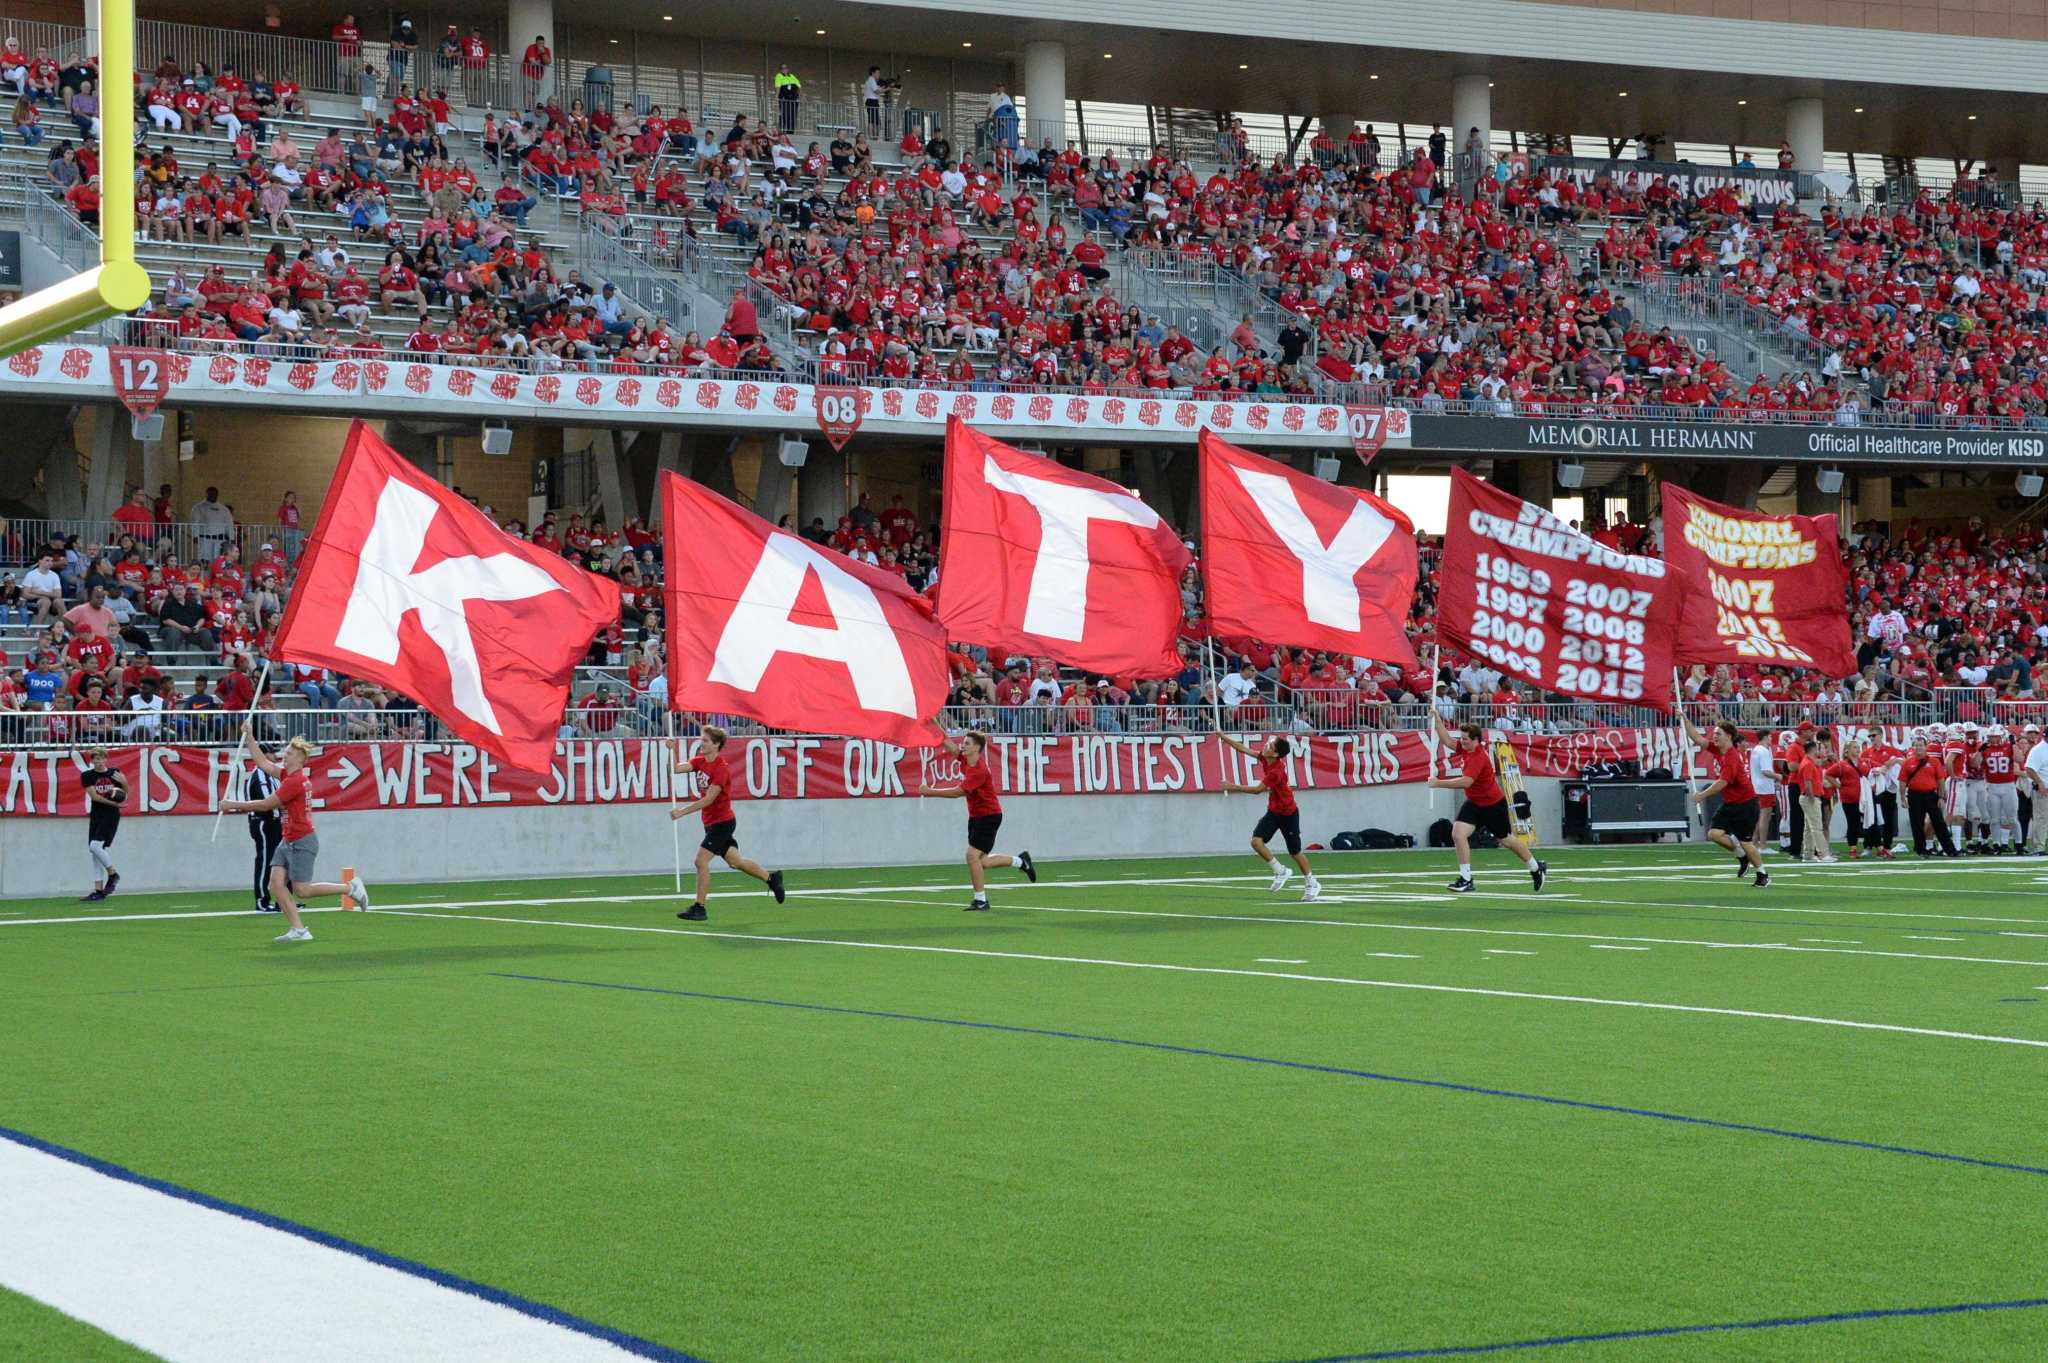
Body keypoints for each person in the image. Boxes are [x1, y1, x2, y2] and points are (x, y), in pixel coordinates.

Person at [222, 728, 369, 942]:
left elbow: (266, 804)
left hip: (302, 840)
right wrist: (250, 737)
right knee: (276, 883)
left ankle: (350, 887)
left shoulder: (295, 781)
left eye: (289, 752)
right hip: (288, 838)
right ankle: (299, 930)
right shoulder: (288, 775)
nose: (285, 754)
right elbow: (264, 764)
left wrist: (232, 805)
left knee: (303, 890)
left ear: (299, 758)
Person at [666, 725, 785, 921]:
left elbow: (708, 799)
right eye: (701, 739)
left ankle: (699, 907)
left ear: (716, 745)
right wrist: (672, 751)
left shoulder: (721, 769)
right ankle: (772, 879)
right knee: (735, 862)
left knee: (700, 861)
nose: (701, 743)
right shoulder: (700, 761)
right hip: (712, 823)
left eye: (705, 741)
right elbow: (675, 769)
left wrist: (682, 812)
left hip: (722, 823)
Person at [918, 729, 1035, 910]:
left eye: (967, 743)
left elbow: (958, 792)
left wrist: (929, 791)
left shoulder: (978, 770)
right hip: (976, 817)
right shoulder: (966, 760)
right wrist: (931, 721)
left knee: (971, 855)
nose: (962, 746)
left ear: (977, 748)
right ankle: (1021, 861)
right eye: (963, 743)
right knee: (982, 862)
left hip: (989, 816)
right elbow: (947, 742)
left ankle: (981, 900)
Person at [1429, 716, 1545, 893]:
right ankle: (1466, 879)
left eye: (1466, 739)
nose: (1462, 742)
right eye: (1462, 738)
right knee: (1458, 834)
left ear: (1476, 740)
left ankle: (1536, 868)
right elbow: (1447, 740)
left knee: (1507, 840)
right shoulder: (1466, 747)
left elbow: (1466, 782)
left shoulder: (1478, 757)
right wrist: (1436, 720)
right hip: (1474, 803)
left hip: (1492, 805)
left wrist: (1438, 783)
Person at [1218, 731, 1319, 901]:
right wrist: (1224, 737)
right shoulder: (1266, 758)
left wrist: (1232, 786)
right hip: (1274, 811)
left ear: (1276, 754)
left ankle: (1312, 883)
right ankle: (1280, 871)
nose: (1266, 745)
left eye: (1270, 745)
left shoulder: (1276, 771)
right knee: (1256, 842)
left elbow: (1258, 790)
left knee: (1294, 852)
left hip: (1288, 813)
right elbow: (1243, 749)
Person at [1679, 711, 1767, 887]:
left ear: (1728, 736)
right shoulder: (1719, 749)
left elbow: (1722, 783)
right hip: (1730, 803)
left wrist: (1701, 796)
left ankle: (1762, 873)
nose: (1714, 737)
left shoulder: (1732, 758)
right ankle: (1742, 857)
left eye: (1718, 734)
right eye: (1714, 734)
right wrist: (1685, 719)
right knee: (1714, 834)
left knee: (1746, 842)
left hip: (1745, 805)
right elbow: (1698, 739)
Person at [80, 747, 127, 901]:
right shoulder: (87, 775)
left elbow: (124, 795)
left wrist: (124, 783)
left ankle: (113, 874)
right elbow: (95, 797)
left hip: (111, 815)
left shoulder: (114, 773)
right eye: (95, 759)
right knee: (95, 852)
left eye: (101, 758)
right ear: (91, 760)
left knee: (94, 846)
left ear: (106, 759)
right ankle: (98, 891)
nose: (99, 762)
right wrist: (113, 804)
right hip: (97, 814)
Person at [1899, 732, 1957, 858]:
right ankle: (1921, 850)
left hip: (1931, 795)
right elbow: (1902, 782)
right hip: (1914, 795)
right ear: (1913, 747)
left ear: (1926, 747)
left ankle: (1950, 849)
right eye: (1916, 745)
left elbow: (1940, 780)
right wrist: (1903, 798)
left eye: (1921, 745)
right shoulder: (1907, 762)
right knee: (1917, 824)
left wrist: (1941, 797)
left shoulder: (1934, 761)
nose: (1918, 748)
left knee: (1939, 823)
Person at [244, 746, 284, 911]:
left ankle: (283, 900)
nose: (275, 755)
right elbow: (268, 801)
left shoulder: (270, 774)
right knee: (265, 860)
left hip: (272, 820)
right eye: (271, 752)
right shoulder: (260, 774)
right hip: (264, 821)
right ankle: (262, 900)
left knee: (280, 860)